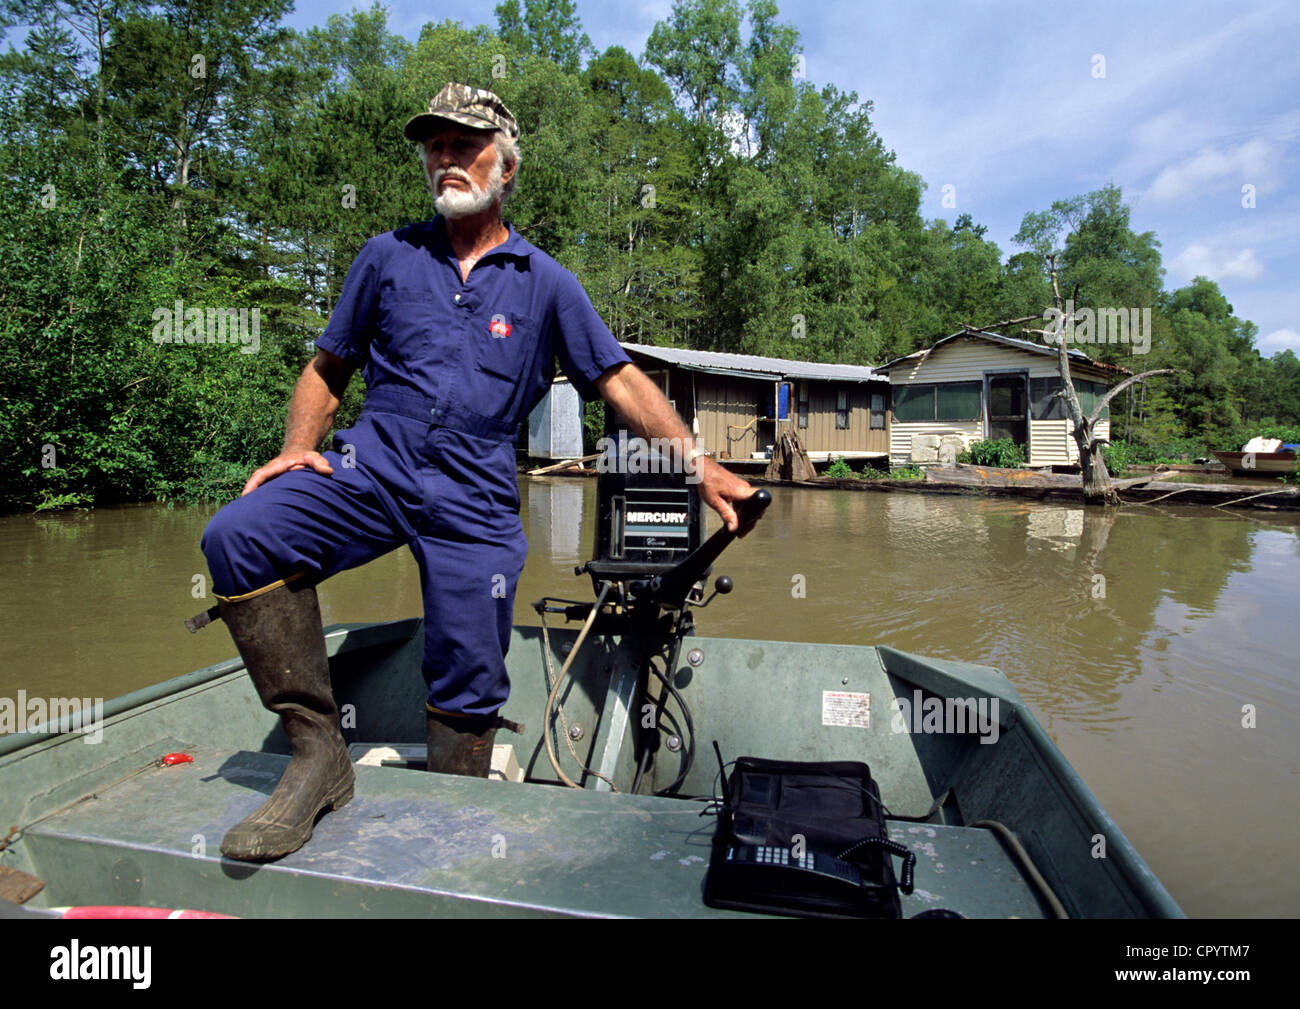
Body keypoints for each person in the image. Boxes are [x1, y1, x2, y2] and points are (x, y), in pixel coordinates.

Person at [199, 83, 759, 862]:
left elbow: (620, 379)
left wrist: (701, 468)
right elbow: (328, 367)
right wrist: (300, 444)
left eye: (465, 144)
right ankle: (317, 754)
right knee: (239, 534)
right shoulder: (388, 255)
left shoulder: (546, 282)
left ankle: (451, 815)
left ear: (508, 167)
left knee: (467, 671)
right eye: (435, 145)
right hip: (376, 462)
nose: (445, 158)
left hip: (476, 488)